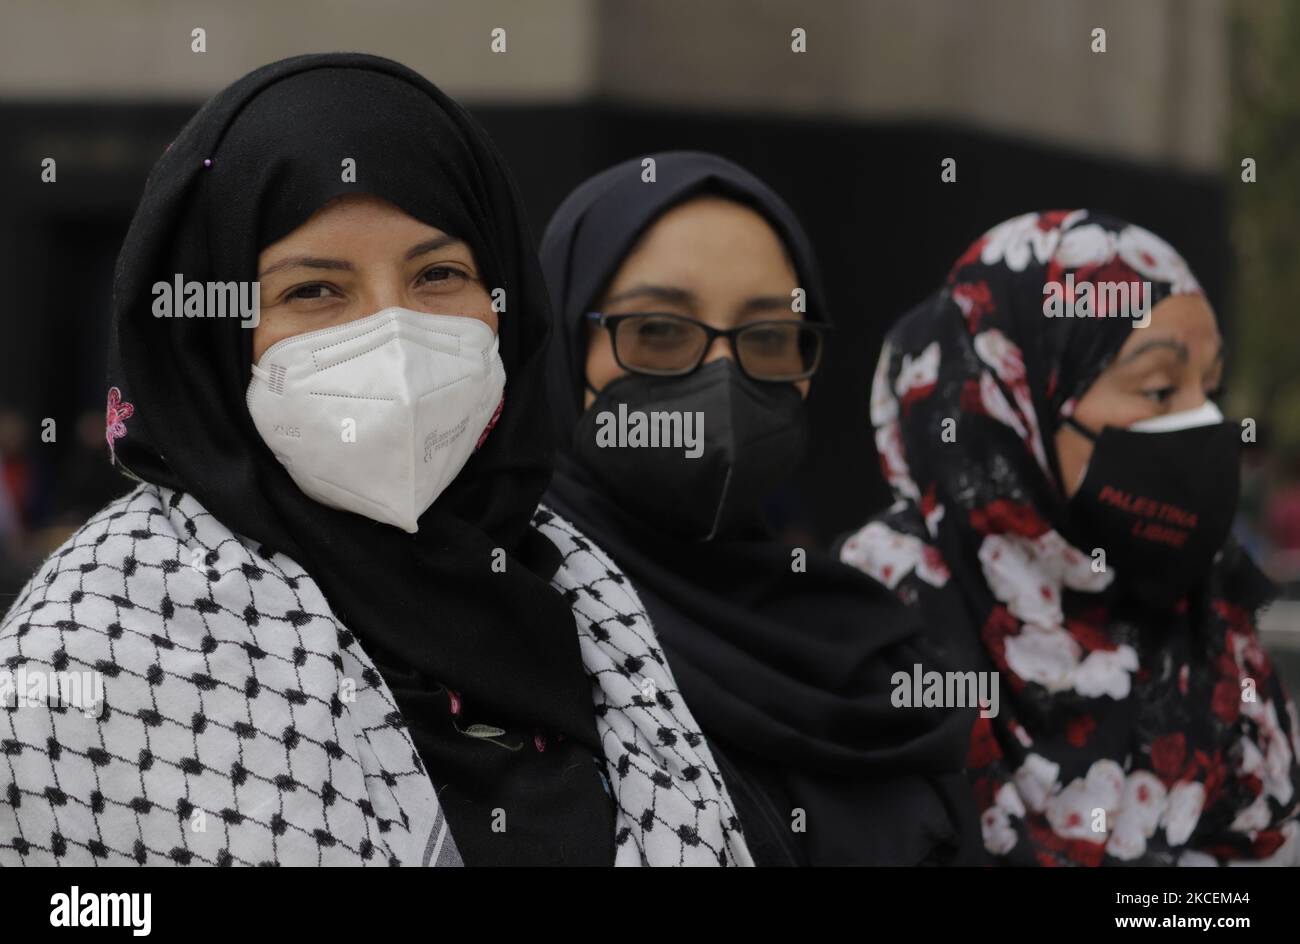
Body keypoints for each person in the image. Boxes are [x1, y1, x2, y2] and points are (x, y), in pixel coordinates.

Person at [0, 55, 750, 867]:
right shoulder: (94, 655)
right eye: (313, 291)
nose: (394, 339)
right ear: (205, 337)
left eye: (438, 275)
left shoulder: (577, 595)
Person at [539, 151, 983, 865]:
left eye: (770, 336)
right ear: (562, 346)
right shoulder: (508, 635)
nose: (721, 376)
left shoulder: (867, 648)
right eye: (658, 330)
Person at [841, 210, 1300, 865]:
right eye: (1160, 388)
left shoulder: (1211, 611)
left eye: (1212, 386)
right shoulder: (879, 627)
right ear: (1014, 401)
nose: (1207, 422)